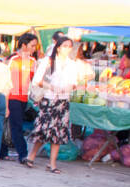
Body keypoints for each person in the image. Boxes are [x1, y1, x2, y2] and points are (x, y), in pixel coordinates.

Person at [25, 33, 78, 174]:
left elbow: (74, 83)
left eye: (69, 47)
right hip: (49, 99)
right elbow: (37, 80)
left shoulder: (72, 64)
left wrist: (70, 86)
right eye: (65, 46)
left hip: (63, 100)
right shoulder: (48, 61)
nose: (67, 49)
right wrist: (51, 86)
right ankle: (31, 155)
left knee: (59, 133)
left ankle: (52, 163)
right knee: (44, 130)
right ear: (58, 47)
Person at [6, 32, 40, 163]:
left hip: (24, 98)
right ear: (24, 45)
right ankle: (23, 154)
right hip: (12, 97)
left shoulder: (33, 61)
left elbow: (35, 80)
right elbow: (6, 80)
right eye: (32, 45)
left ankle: (3, 151)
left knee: (13, 125)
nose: (34, 48)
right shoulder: (13, 60)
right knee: (15, 126)